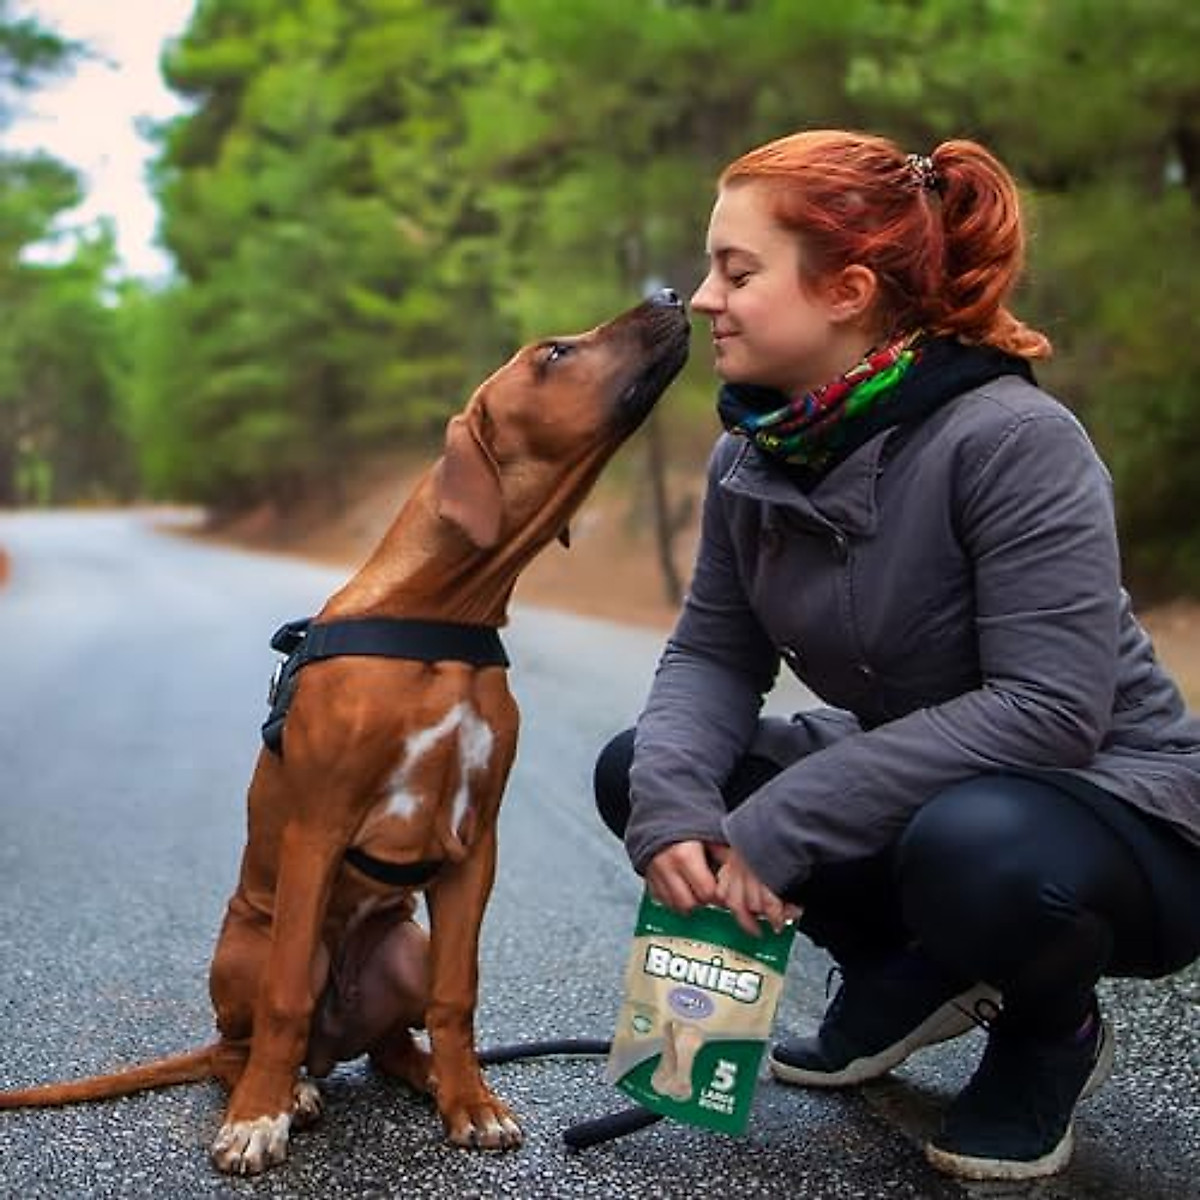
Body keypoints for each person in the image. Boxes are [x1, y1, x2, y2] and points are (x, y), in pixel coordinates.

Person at [593, 129, 1200, 1182]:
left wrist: (784, 821)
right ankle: (902, 973)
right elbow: (713, 655)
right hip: (933, 790)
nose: (702, 298)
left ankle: (1051, 1035)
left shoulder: (1012, 440)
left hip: (1114, 807)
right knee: (643, 764)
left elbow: (1049, 712)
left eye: (737, 271)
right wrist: (676, 811)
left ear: (849, 291)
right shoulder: (756, 449)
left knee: (976, 848)